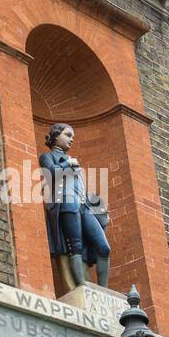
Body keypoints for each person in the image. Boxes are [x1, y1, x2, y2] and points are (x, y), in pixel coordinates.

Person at [39, 122, 110, 287]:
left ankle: (103, 290)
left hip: (83, 206)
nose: (71, 140)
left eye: (73, 137)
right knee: (75, 247)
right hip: (67, 204)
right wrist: (68, 164)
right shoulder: (48, 156)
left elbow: (83, 191)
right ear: (56, 136)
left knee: (103, 247)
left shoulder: (73, 161)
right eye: (68, 135)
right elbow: (50, 173)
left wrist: (98, 206)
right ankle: (82, 288)